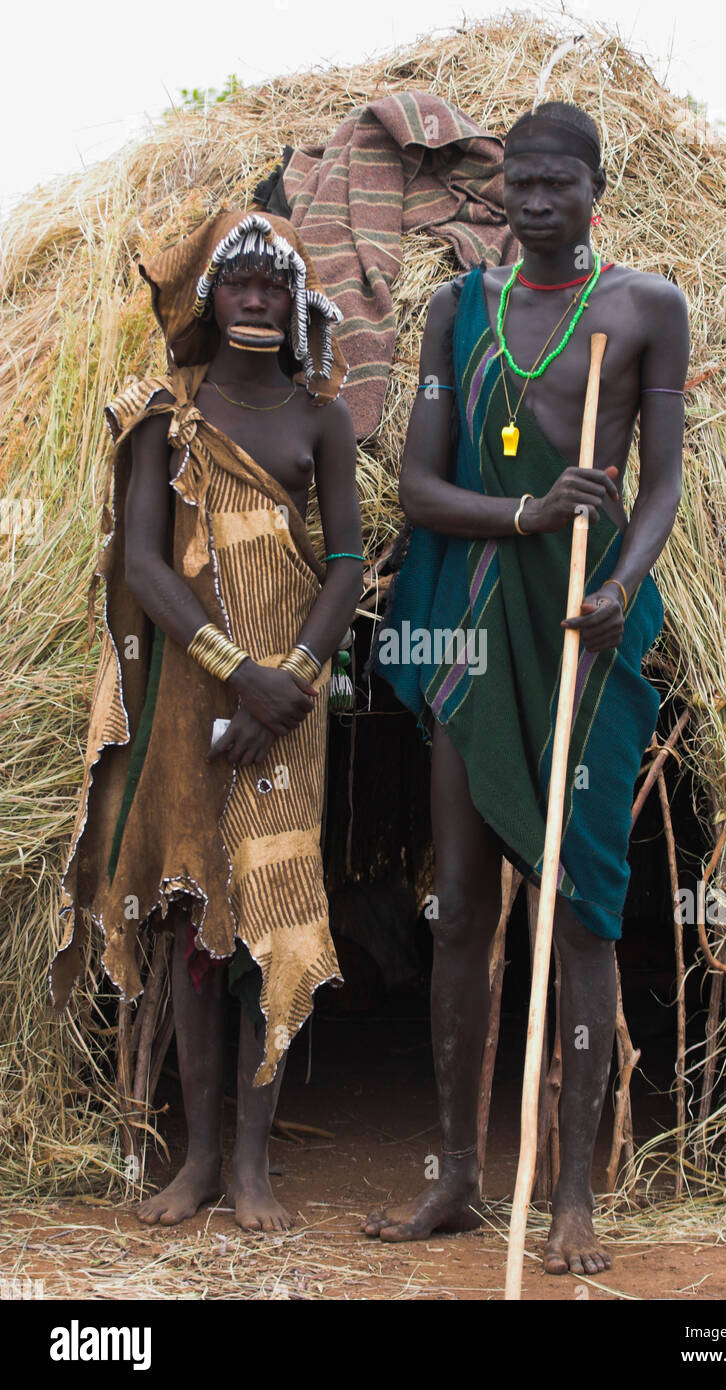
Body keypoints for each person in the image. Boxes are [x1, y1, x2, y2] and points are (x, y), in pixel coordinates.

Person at [365, 103, 688, 1274]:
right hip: (470, 630)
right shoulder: (459, 311)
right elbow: (412, 489)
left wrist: (620, 576)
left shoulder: (645, 309)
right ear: (502, 191)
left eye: (561, 183)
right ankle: (456, 1174)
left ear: (595, 188)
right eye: (522, 184)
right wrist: (524, 512)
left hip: (581, 633)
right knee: (459, 897)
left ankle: (571, 1198)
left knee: (580, 906)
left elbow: (661, 481)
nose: (537, 201)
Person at [51, 210, 364, 1232]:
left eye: (275, 285)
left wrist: (298, 673)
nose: (255, 297)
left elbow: (349, 562)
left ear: (296, 303)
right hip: (193, 691)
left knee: (270, 903)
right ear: (207, 298)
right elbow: (143, 560)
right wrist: (237, 673)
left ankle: (252, 1163)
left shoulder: (321, 418)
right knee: (192, 908)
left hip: (291, 699)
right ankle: (195, 1161)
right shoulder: (163, 413)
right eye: (237, 282)